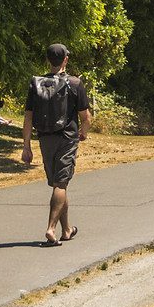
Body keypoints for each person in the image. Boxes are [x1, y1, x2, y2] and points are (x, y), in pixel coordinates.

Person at [20, 43, 93, 246]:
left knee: (58, 184)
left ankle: (66, 229)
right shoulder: (75, 83)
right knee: (61, 184)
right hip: (66, 138)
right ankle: (51, 229)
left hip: (44, 138)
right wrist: (83, 133)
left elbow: (27, 118)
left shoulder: (36, 83)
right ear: (66, 60)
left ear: (47, 60)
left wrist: (26, 146)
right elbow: (86, 118)